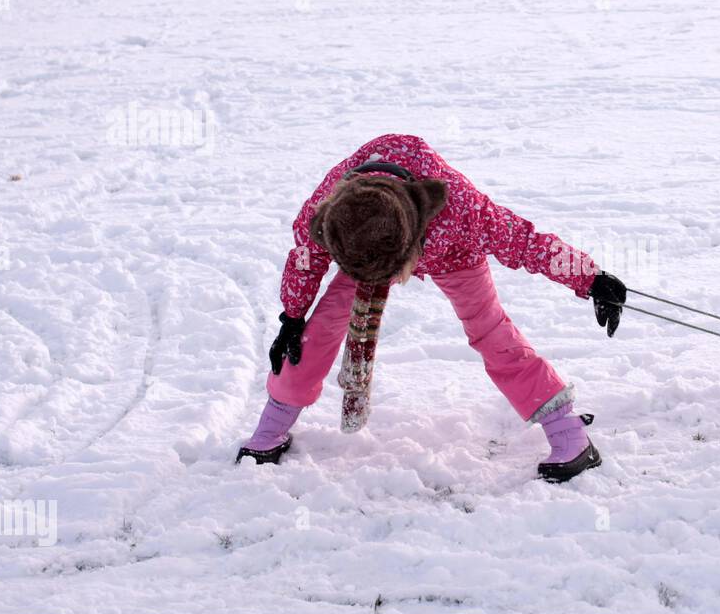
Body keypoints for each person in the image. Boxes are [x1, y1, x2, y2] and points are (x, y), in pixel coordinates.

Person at [237, 134, 627, 482]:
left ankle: (568, 434)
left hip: (454, 254)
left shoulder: (460, 207)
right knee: (315, 333)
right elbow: (306, 257)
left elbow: (523, 241)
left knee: (489, 330)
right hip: (365, 252)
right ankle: (271, 430)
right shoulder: (329, 210)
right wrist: (292, 316)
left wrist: (590, 278)